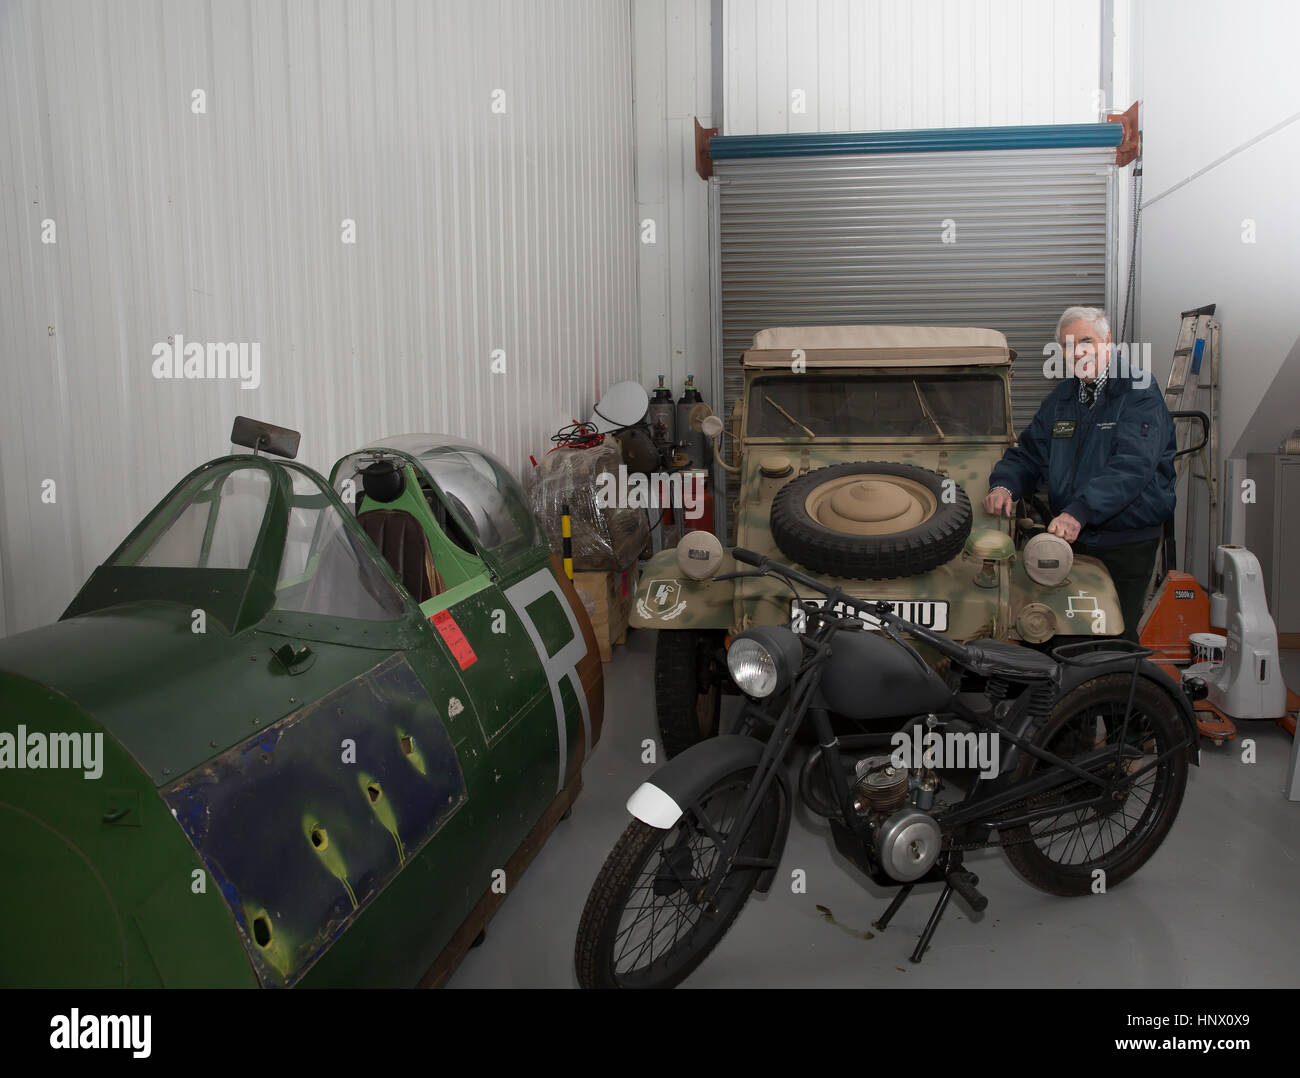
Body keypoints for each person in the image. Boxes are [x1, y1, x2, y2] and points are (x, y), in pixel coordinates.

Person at [984, 307, 1177, 642]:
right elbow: (1030, 453)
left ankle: (1116, 692)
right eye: (1069, 345)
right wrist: (1005, 486)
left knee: (1112, 635)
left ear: (1107, 341)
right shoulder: (1063, 399)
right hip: (1076, 541)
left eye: (1086, 340)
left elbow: (1131, 467)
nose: (1078, 351)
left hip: (1124, 544)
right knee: (1065, 630)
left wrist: (1079, 511)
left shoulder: (1138, 392)